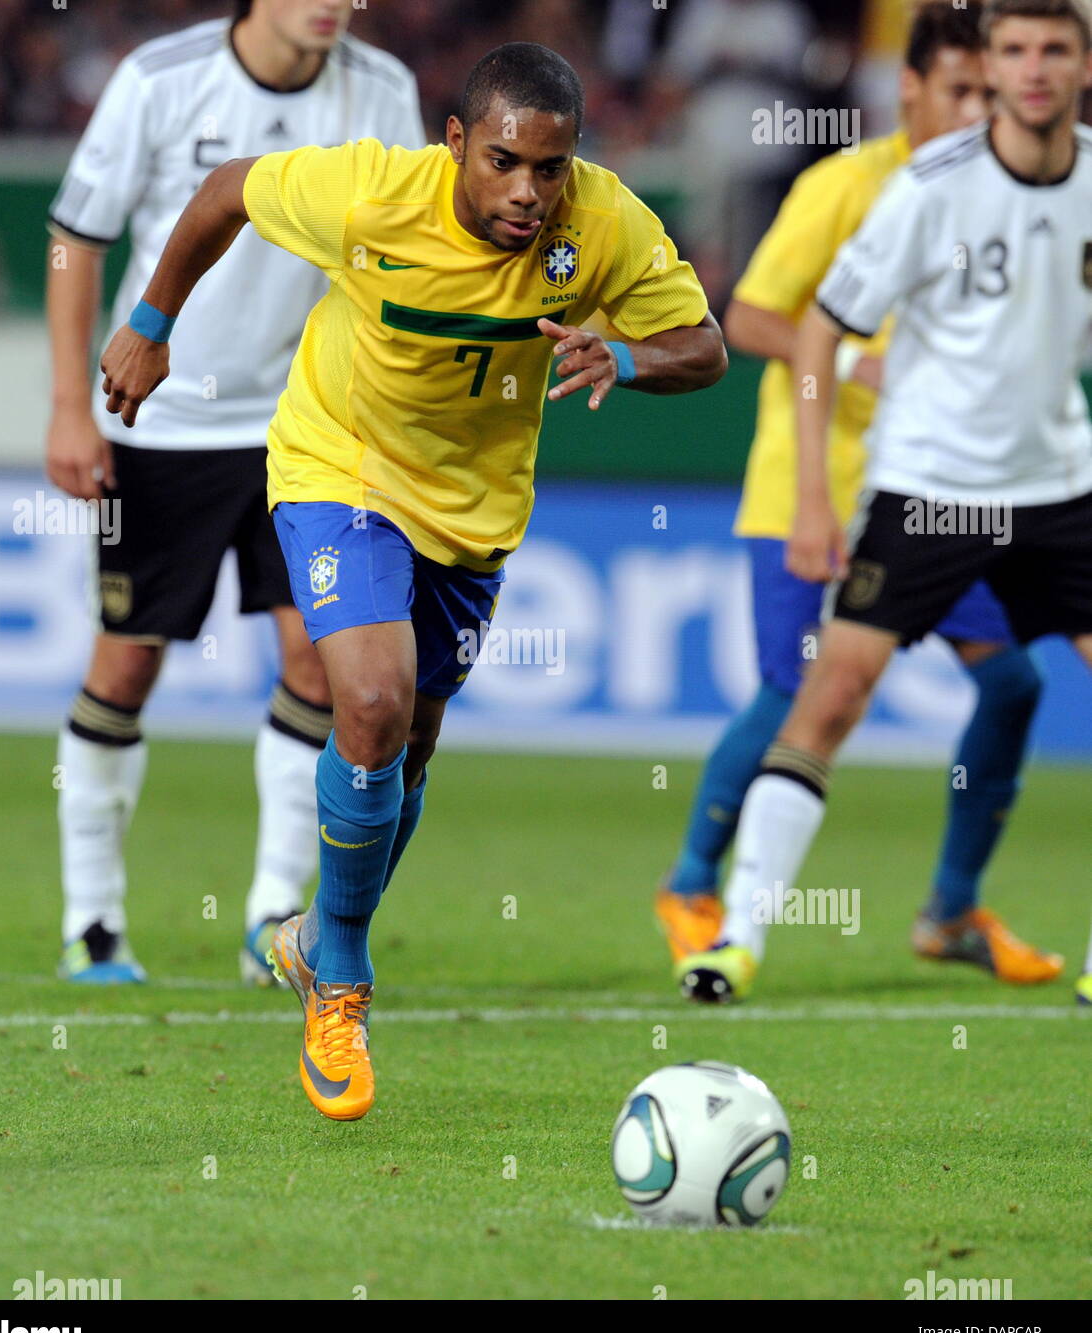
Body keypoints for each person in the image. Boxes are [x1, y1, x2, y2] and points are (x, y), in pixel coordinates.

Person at [99, 42, 727, 1117]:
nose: (529, 191)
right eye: (503, 163)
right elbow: (222, 193)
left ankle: (311, 934)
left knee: (411, 744)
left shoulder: (605, 221)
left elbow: (705, 345)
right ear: (454, 147)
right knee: (374, 701)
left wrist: (624, 358)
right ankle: (340, 978)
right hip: (338, 465)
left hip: (472, 511)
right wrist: (151, 325)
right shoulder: (374, 192)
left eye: (551, 168)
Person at [658, 1, 1062, 999]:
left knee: (1011, 684)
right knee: (798, 692)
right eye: (961, 88)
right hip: (823, 486)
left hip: (950, 488)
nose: (979, 106)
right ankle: (695, 889)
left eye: (990, 88)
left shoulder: (1012, 185)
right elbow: (752, 314)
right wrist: (854, 369)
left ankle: (950, 908)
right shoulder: (852, 184)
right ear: (910, 88)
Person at [45, 0, 424, 985]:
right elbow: (74, 239)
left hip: (314, 426)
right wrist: (66, 408)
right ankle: (93, 922)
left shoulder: (381, 91)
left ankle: (271, 913)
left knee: (316, 655)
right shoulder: (159, 80)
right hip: (165, 423)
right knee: (127, 665)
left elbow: (416, 254)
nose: (334, 3)